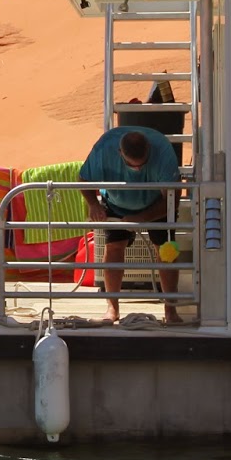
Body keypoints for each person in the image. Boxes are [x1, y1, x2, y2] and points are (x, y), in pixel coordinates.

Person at [78, 127, 183, 324]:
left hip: (156, 204)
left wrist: (144, 217)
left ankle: (171, 310)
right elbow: (83, 179)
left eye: (142, 166)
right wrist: (93, 204)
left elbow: (173, 199)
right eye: (131, 166)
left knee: (166, 252)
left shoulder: (163, 151)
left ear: (150, 151)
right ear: (119, 154)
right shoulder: (103, 149)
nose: (137, 170)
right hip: (115, 202)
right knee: (114, 248)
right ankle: (112, 309)